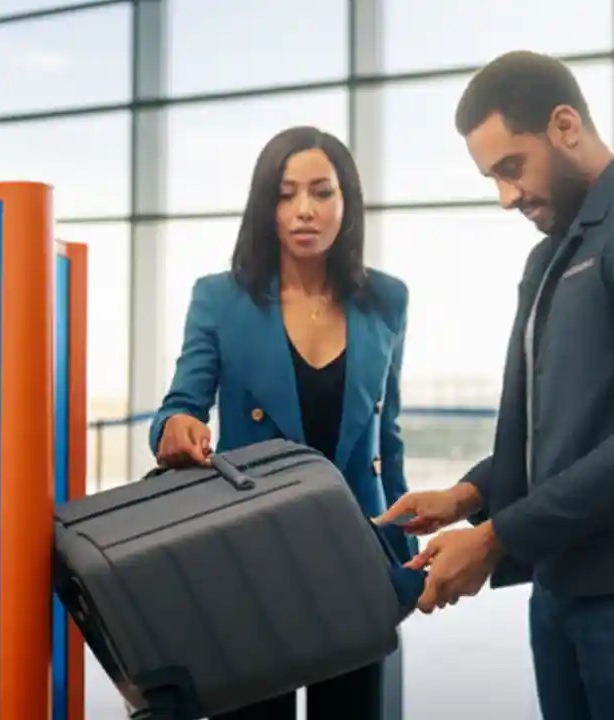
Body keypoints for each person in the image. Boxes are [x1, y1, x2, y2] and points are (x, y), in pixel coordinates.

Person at [375, 51, 614, 719]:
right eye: (492, 177)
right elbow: (555, 426)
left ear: (566, 125)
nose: (506, 196)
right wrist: (467, 496)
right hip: (563, 579)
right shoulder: (551, 255)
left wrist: (492, 540)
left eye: (511, 168)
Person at [148, 125, 411, 720]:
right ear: (264, 204)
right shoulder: (220, 298)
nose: (304, 211)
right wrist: (175, 426)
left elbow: (385, 438)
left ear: (348, 202)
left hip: (357, 556)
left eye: (322, 192)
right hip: (253, 556)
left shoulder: (386, 300)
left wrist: (404, 554)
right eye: (286, 193)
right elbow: (180, 403)